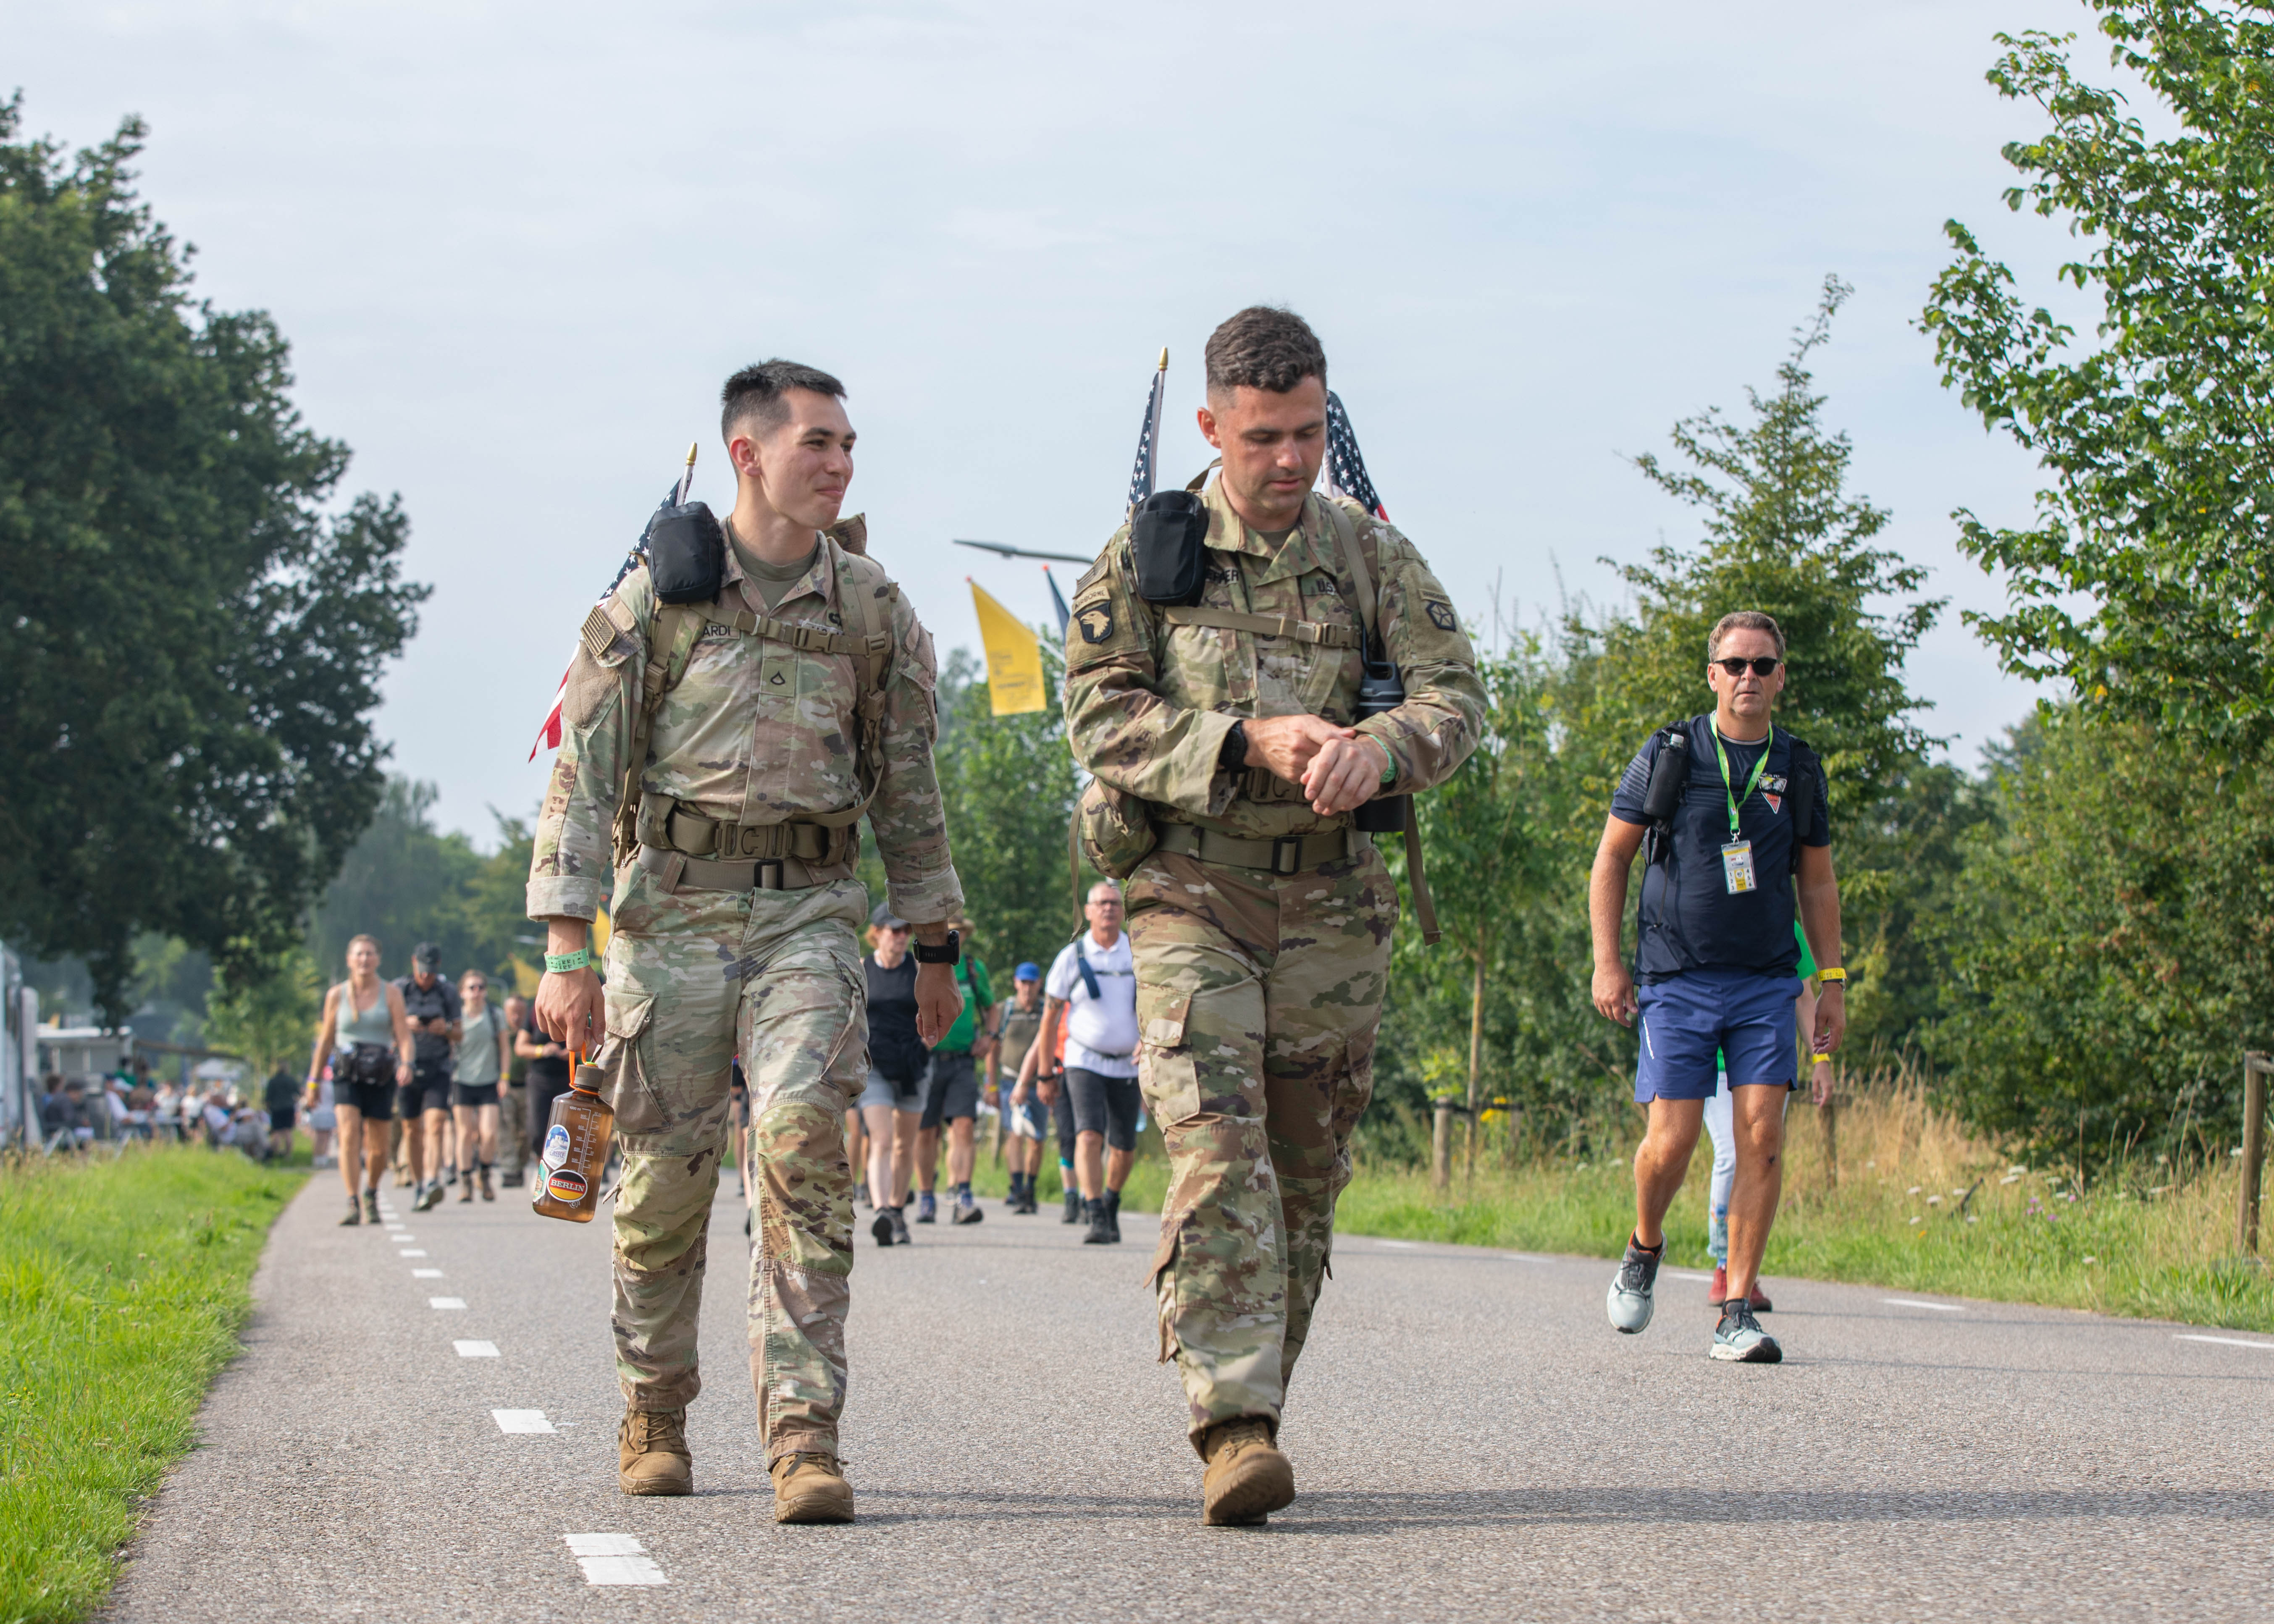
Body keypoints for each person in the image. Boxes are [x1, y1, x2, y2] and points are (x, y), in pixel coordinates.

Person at [1063, 306, 1483, 1524]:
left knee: (1303, 1176)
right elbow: (1095, 713)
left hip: (1334, 903)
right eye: (1261, 438)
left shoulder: (1369, 557)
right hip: (1189, 887)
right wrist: (1239, 738)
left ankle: (1257, 1401)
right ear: (1210, 427)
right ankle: (1231, 1423)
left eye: (1305, 432)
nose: (1287, 460)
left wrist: (1383, 749)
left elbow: (1457, 698)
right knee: (1216, 1143)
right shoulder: (1149, 553)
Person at [527, 359, 963, 1522]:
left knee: (801, 1142)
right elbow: (582, 777)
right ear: (746, 454)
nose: (838, 463)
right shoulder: (655, 600)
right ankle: (654, 1410)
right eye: (816, 442)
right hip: (666, 914)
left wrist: (933, 947)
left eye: (847, 444)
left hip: (811, 916)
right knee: (663, 1177)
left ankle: (803, 1435)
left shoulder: (871, 609)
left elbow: (909, 789)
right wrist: (567, 951)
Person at [1589, 609, 1846, 1365]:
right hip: (1675, 978)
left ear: (1779, 676)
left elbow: (1819, 882)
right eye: (1733, 664)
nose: (1747, 678)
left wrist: (1828, 980)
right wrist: (1609, 962)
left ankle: (1735, 1308)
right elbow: (1610, 860)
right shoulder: (1670, 751)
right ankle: (1643, 1245)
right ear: (1711, 674)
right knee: (1666, 1144)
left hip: (1766, 981)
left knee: (1761, 1136)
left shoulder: (1796, 766)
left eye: (1761, 665)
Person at [1702, 923, 1835, 1309]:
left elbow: (1804, 997)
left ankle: (1744, 1271)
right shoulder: (1711, 906)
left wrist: (1821, 1059)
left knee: (1760, 1159)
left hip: (1764, 1061)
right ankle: (1723, 1263)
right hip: (1716, 1062)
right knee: (1729, 1157)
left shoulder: (1782, 923)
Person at [1039, 882, 1141, 1245]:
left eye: (1115, 903)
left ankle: (1112, 1199)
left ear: (1122, 909)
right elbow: (1049, 1020)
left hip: (1129, 1063)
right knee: (1088, 1134)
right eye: (1101, 903)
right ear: (1088, 911)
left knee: (1125, 1145)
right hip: (1083, 1059)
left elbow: (1159, 1003)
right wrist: (1044, 1072)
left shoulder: (1138, 951)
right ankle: (1095, 1210)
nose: (1109, 909)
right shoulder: (1073, 956)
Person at [307, 934, 417, 1225]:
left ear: (378, 959)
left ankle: (371, 1192)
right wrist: (313, 1081)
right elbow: (326, 1040)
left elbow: (404, 1036)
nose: (364, 959)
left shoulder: (391, 993)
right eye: (359, 954)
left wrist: (406, 1062)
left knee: (379, 1147)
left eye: (370, 954)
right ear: (349, 959)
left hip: (380, 1073)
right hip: (346, 1074)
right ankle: (352, 1200)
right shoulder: (336, 995)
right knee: (348, 1133)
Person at [914, 918, 994, 1225]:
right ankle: (926, 1197)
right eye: (947, 932)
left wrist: (990, 1036)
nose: (951, 937)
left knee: (963, 1126)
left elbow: (991, 1006)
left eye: (956, 933)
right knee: (926, 1131)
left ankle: (964, 1195)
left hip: (962, 1061)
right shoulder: (921, 964)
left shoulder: (974, 969)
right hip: (928, 1060)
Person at [859, 908, 931, 1246]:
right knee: (883, 1139)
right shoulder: (862, 969)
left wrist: (931, 1036)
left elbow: (937, 1007)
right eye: (894, 930)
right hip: (875, 1067)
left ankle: (899, 1212)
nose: (901, 936)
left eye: (906, 930)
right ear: (878, 933)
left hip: (913, 1066)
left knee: (905, 1145)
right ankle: (882, 1210)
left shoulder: (918, 969)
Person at [394, 943, 462, 1212]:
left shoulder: (447, 991)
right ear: (413, 963)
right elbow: (385, 1027)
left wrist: (443, 1028)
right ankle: (420, 1183)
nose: (426, 977)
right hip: (406, 1068)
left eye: (431, 972)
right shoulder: (399, 990)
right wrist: (404, 1025)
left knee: (435, 1125)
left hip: (438, 1067)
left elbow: (459, 1033)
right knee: (411, 1130)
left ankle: (433, 1180)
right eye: (423, 971)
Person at [451, 970, 513, 1202]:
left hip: (489, 1081)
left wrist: (504, 1077)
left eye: (480, 987)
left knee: (489, 1134)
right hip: (462, 1080)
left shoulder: (495, 1015)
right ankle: (466, 1182)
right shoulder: (457, 1017)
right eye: (471, 988)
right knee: (465, 1134)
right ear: (462, 993)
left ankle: (484, 1175)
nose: (476, 992)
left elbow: (505, 1048)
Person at [991, 963, 1046, 1212]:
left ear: (1039, 984)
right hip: (1009, 1083)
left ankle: (1030, 1189)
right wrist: (990, 1086)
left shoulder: (1046, 1010)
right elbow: (993, 1049)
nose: (1027, 988)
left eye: (1032, 983)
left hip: (1039, 1083)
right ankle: (1017, 1188)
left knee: (1037, 1138)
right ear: (1016, 983)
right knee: (1014, 1136)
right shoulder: (1006, 1010)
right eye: (1023, 982)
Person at [516, 993, 573, 1169]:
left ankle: (559, 1172)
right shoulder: (535, 1013)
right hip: (540, 1080)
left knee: (565, 1133)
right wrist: (543, 1050)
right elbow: (520, 1047)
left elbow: (592, 1042)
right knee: (538, 1132)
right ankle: (541, 1168)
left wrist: (572, 1052)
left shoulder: (574, 1010)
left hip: (567, 1080)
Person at [497, 992, 531, 1187]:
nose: (516, 1017)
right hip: (507, 1087)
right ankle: (510, 1170)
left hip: (527, 1087)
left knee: (526, 1132)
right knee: (506, 1130)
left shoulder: (530, 1033)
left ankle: (520, 1165)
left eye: (520, 1012)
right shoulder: (502, 1035)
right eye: (512, 1012)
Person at [263, 1065, 299, 1160]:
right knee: (288, 1131)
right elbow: (298, 1093)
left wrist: (268, 1109)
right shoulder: (291, 1080)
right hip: (289, 1107)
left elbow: (268, 1098)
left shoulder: (273, 1081)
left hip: (276, 1108)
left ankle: (274, 1154)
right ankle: (288, 1155)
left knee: (276, 1132)